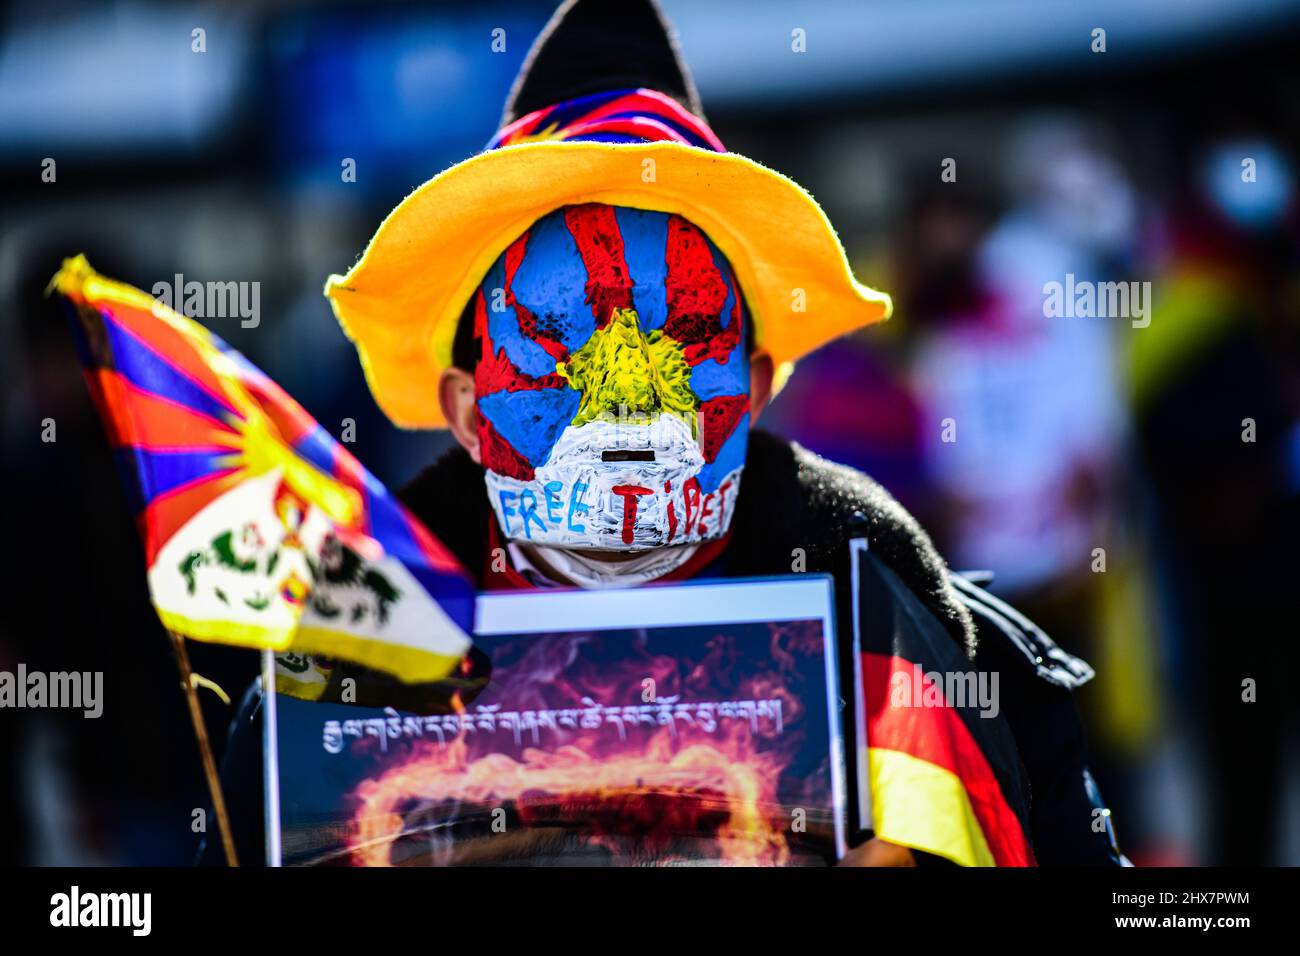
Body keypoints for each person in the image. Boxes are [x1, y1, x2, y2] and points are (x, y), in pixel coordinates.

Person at [202, 0, 1123, 867]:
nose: (628, 397)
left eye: (684, 338)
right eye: (557, 340)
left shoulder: (945, 661)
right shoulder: (324, 701)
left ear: (754, 390)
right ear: (468, 413)